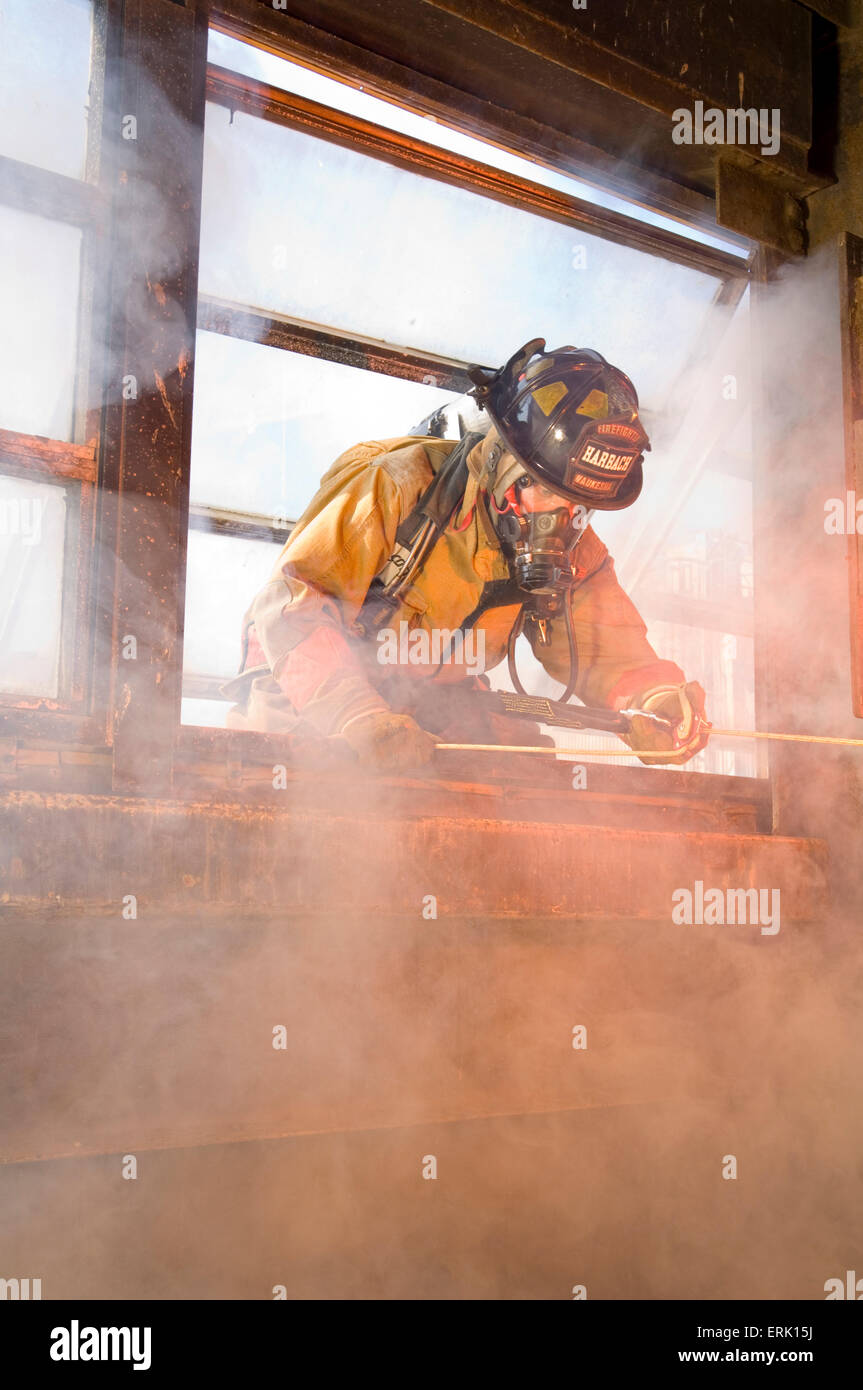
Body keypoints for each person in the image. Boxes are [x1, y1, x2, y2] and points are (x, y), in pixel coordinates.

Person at [223, 339, 710, 773]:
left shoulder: (574, 546)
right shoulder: (396, 486)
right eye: (549, 494)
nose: (562, 523)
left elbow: (606, 646)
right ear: (503, 468)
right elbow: (292, 608)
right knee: (296, 787)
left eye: (581, 507)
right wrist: (356, 715)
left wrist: (652, 698)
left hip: (430, 687)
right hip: (305, 672)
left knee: (521, 775)